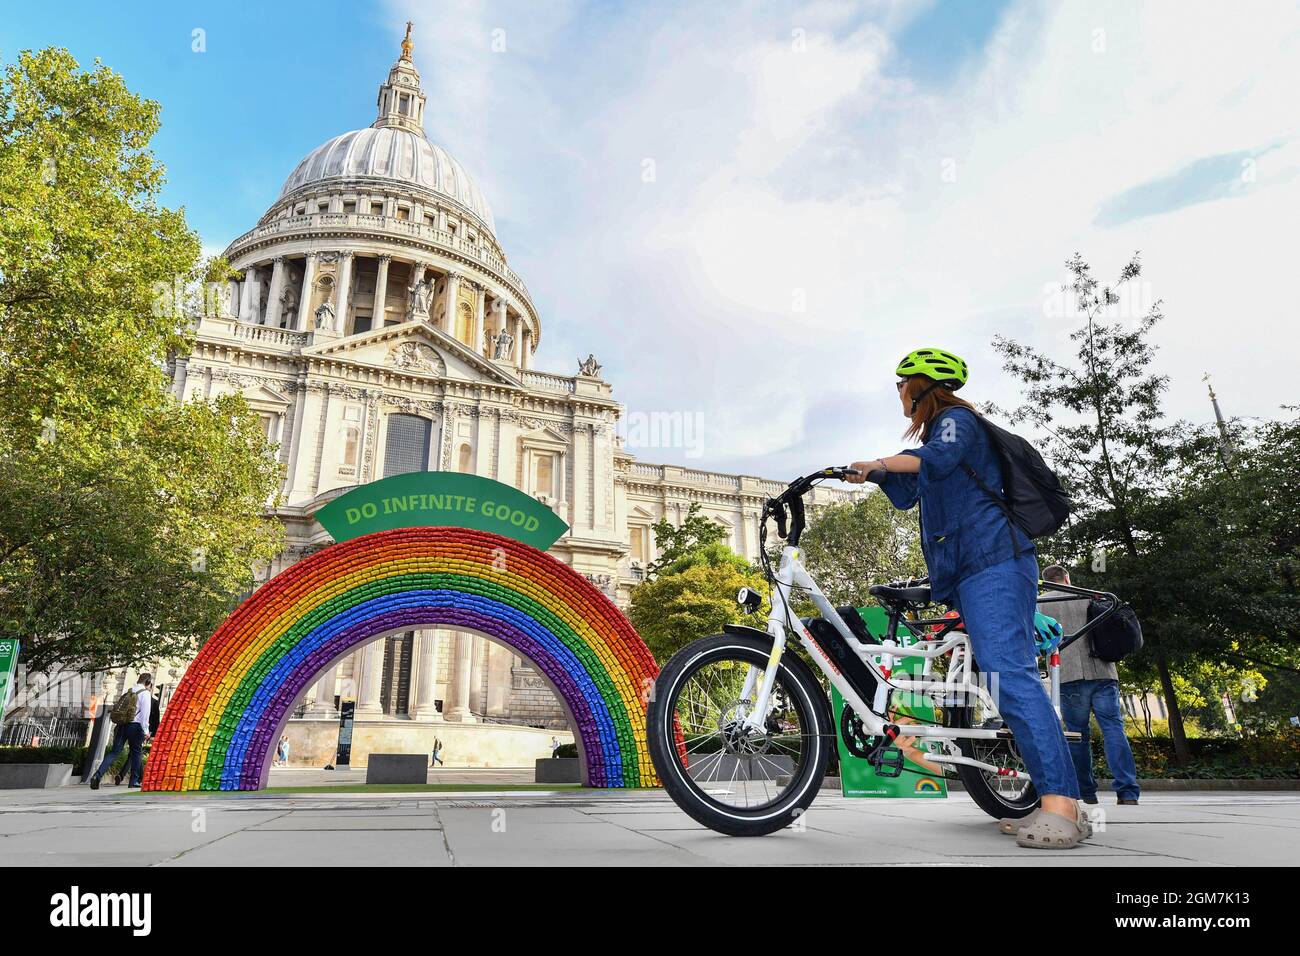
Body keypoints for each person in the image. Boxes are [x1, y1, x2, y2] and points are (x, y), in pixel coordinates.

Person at [845, 348, 1090, 848]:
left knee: (1011, 675)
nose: (897, 392)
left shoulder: (956, 421)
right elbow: (913, 487)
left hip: (996, 562)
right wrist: (878, 474)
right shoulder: (939, 434)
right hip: (974, 570)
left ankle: (1063, 808)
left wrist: (877, 462)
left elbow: (936, 459)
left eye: (901, 383)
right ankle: (1053, 800)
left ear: (922, 386)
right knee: (1001, 679)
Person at [1041, 564, 1140, 806]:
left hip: (1066, 673)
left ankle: (1086, 792)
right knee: (1114, 729)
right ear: (1066, 577)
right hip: (1103, 671)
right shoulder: (1089, 595)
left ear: (1047, 581)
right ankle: (1127, 792)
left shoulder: (1038, 603)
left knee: (1076, 734)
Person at [90, 673, 153, 790]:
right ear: (147, 683)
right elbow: (145, 715)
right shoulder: (145, 694)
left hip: (122, 725)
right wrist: (146, 731)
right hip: (135, 726)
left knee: (114, 752)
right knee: (136, 753)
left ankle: (97, 775)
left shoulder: (129, 691)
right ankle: (133, 781)